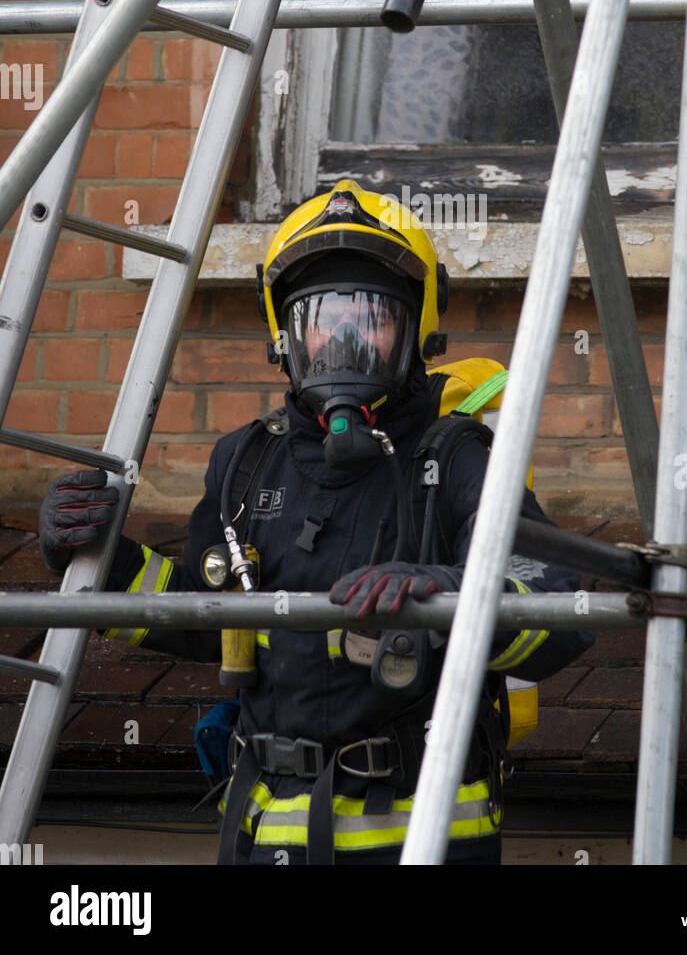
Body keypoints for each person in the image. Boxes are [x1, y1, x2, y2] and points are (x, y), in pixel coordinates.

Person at [40, 180, 593, 866]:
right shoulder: (246, 461)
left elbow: (563, 611)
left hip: (422, 840)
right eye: (323, 317)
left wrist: (447, 594)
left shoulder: (455, 460)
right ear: (288, 335)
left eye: (373, 316)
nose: (346, 340)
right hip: (261, 837)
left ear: (415, 330)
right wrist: (102, 561)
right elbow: (203, 615)